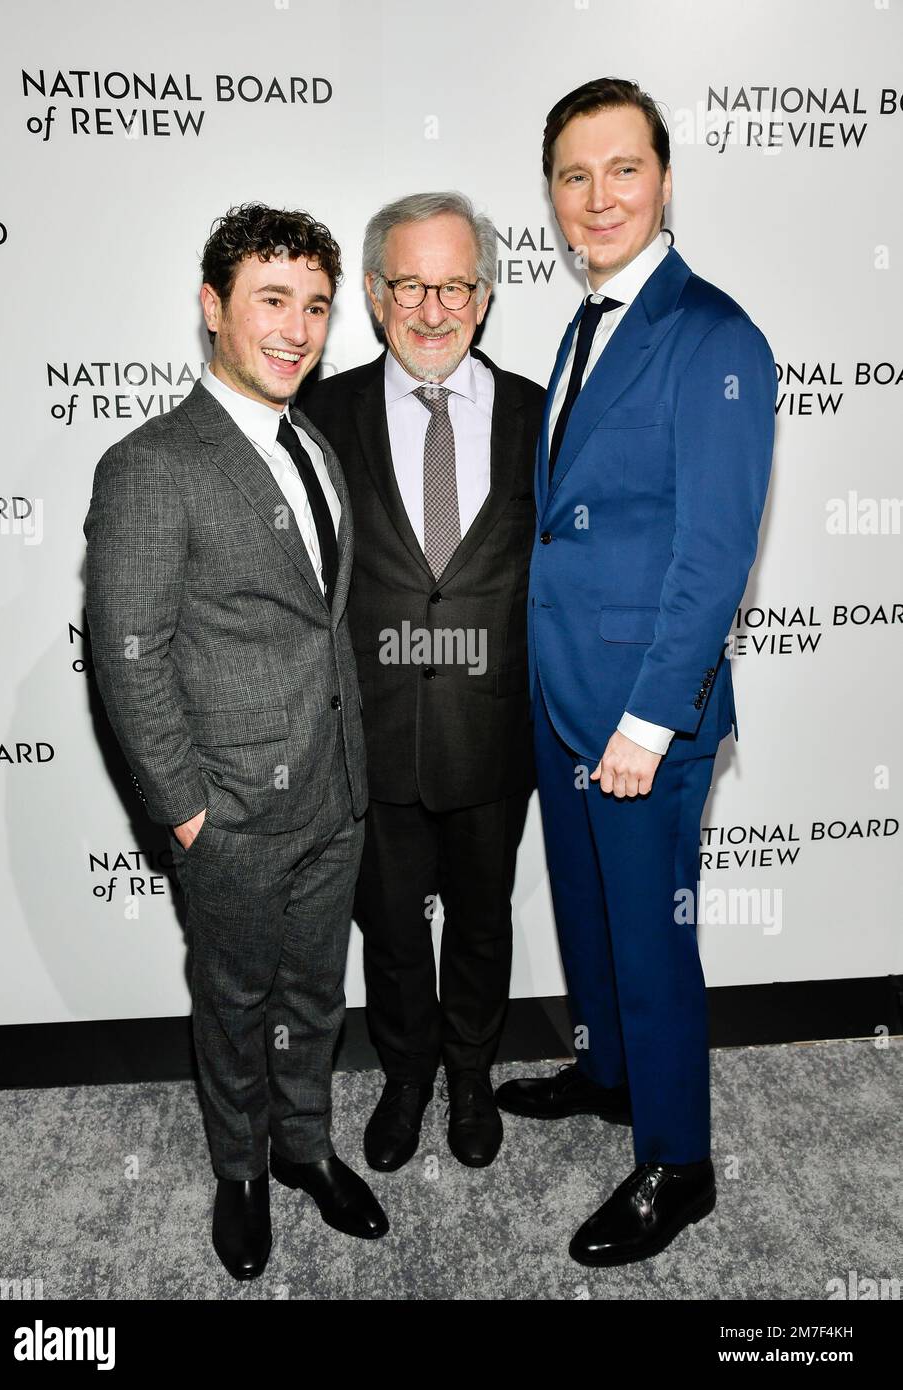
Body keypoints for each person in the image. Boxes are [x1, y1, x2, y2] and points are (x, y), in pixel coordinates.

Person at [495, 79, 776, 1265]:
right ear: (552, 197)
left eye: (622, 169)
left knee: (654, 938)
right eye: (573, 174)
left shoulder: (713, 334)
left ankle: (678, 1161)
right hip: (565, 699)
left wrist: (653, 720)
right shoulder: (585, 320)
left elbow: (714, 556)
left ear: (664, 179)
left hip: (642, 717)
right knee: (591, 915)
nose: (597, 195)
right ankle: (609, 1074)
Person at [83, 203, 387, 1282]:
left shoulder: (312, 441)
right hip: (233, 813)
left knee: (315, 994)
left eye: (314, 305)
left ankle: (303, 1146)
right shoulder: (153, 463)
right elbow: (127, 654)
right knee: (235, 999)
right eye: (272, 301)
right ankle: (241, 1171)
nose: (298, 329)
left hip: (333, 794)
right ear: (213, 309)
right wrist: (186, 808)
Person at [302, 192, 544, 1172]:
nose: (433, 308)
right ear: (372, 291)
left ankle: (473, 1074)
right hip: (369, 730)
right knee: (394, 927)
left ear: (483, 296)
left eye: (454, 284)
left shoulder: (540, 414)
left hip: (497, 728)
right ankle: (406, 1076)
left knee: (484, 919)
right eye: (411, 284)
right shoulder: (318, 415)